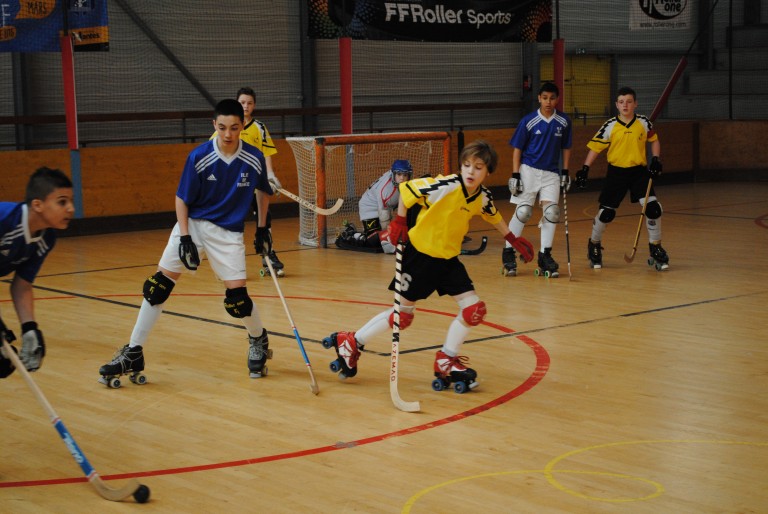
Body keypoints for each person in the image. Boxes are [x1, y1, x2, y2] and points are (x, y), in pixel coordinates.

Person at [322, 140, 534, 390]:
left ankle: (446, 359)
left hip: (448, 260)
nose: (470, 171)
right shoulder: (446, 185)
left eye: (478, 168)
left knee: (473, 310)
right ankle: (352, 342)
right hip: (419, 257)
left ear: (488, 172)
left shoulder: (481, 196)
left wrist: (512, 238)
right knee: (402, 316)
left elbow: (492, 214)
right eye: (466, 165)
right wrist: (400, 222)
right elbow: (408, 190)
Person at [99, 99, 275, 384]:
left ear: (243, 125)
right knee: (158, 287)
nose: (228, 134)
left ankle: (258, 339)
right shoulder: (199, 156)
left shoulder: (253, 157)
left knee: (237, 301)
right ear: (213, 125)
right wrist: (183, 237)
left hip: (228, 232)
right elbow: (182, 198)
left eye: (234, 128)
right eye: (222, 128)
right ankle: (133, 351)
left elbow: (262, 193)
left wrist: (263, 229)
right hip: (193, 224)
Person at [574, 86, 667, 270]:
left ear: (635, 104)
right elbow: (595, 148)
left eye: (629, 102)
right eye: (622, 102)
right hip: (616, 172)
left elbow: (654, 140)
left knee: (653, 208)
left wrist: (655, 159)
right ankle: (594, 244)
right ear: (617, 105)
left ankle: (655, 246)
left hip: (639, 172)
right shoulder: (610, 126)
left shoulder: (644, 122)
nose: (625, 105)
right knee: (606, 213)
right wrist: (585, 168)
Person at [0, 167, 74, 378]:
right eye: (62, 202)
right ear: (37, 205)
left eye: (70, 201)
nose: (71, 208)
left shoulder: (46, 238)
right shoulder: (3, 220)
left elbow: (22, 285)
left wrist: (30, 328)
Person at [211, 87, 285, 276]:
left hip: (255, 184)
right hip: (234, 187)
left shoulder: (259, 127)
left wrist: (270, 175)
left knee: (264, 219)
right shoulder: (226, 128)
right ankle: (226, 265)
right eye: (242, 102)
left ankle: (267, 256)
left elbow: (266, 152)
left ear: (254, 105)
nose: (246, 106)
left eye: (249, 103)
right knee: (231, 223)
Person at [505, 82, 572, 277]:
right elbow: (517, 149)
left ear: (557, 99)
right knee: (523, 211)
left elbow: (566, 147)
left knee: (552, 212)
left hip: (552, 172)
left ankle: (545, 256)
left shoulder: (564, 121)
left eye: (552, 98)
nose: (548, 102)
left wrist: (566, 171)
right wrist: (515, 174)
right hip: (529, 170)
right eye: (545, 98)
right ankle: (508, 253)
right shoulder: (529, 121)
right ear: (539, 99)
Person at [335, 159, 413, 254]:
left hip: (385, 206)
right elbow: (384, 214)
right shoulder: (386, 190)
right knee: (375, 241)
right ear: (393, 174)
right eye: (399, 174)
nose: (402, 178)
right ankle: (350, 234)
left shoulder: (400, 183)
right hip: (369, 208)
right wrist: (389, 236)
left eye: (405, 175)